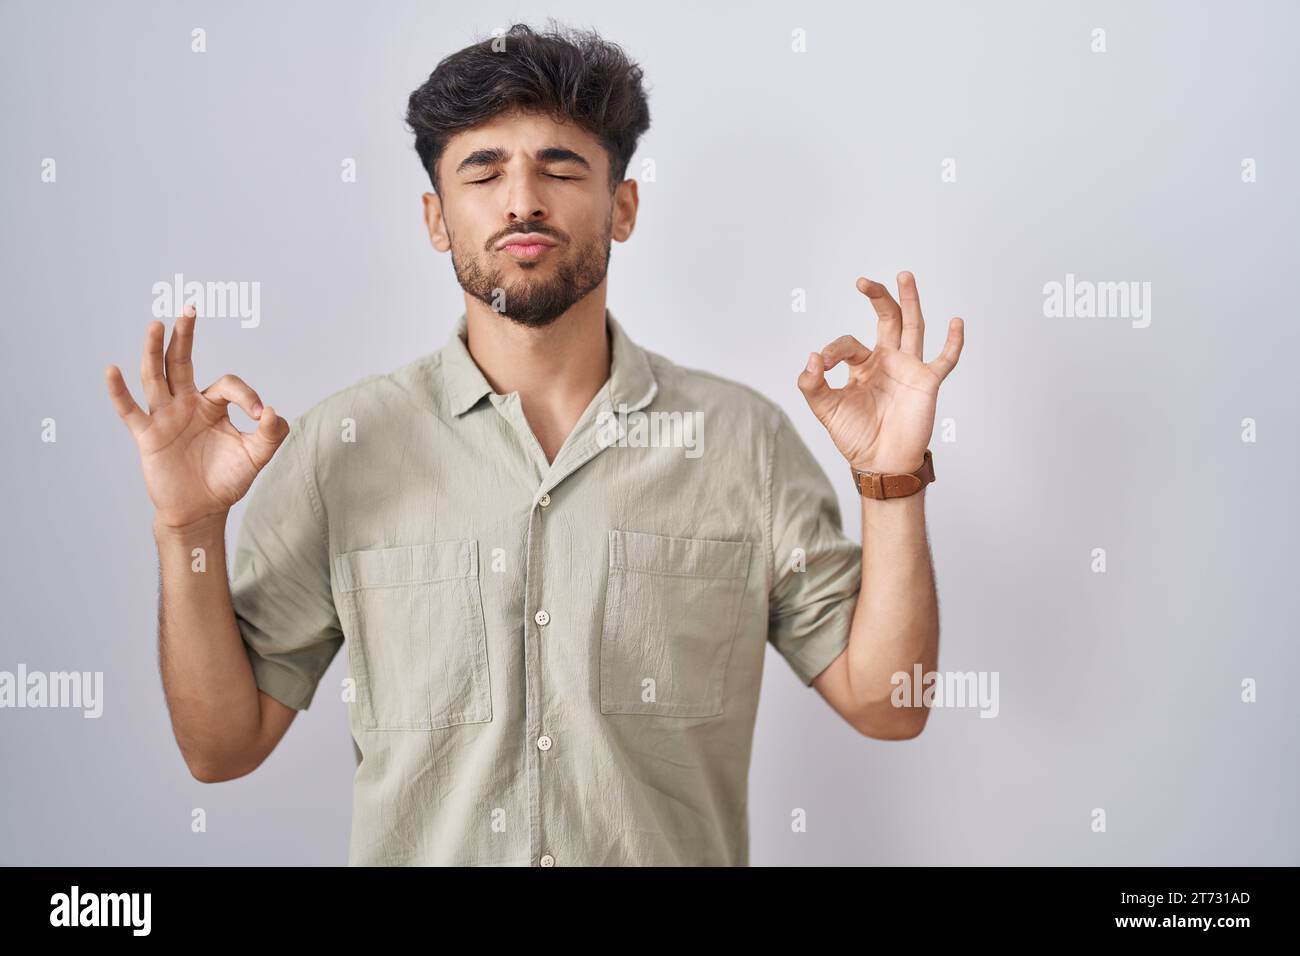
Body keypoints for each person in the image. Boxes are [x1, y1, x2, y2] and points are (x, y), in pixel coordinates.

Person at [105, 22, 964, 866]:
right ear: (436, 218)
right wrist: (188, 531)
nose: (523, 199)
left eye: (561, 167)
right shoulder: (343, 448)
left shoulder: (742, 442)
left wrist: (893, 481)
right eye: (484, 171)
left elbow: (891, 706)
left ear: (622, 206)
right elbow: (220, 749)